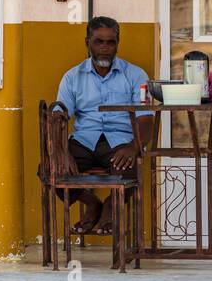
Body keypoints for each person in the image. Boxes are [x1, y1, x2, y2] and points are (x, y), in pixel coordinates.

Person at [49, 17, 154, 235]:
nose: (105, 48)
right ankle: (92, 203)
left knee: (130, 167)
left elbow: (145, 119)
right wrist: (62, 152)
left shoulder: (135, 75)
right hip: (83, 141)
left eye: (110, 42)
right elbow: (59, 118)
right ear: (87, 42)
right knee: (50, 167)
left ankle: (110, 206)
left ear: (118, 43)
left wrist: (134, 146)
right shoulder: (72, 77)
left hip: (119, 142)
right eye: (99, 42)